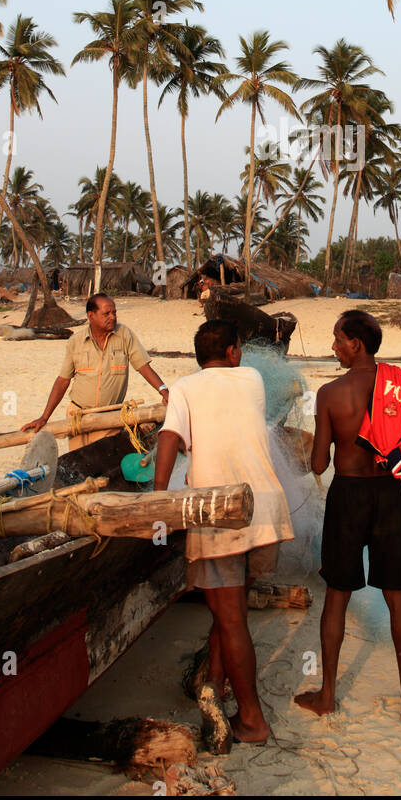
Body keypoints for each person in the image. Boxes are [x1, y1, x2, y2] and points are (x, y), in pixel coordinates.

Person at [154, 318, 294, 744]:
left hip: (221, 515)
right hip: (265, 510)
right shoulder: (252, 379)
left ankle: (252, 720)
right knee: (228, 610)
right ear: (234, 353)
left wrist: (157, 499)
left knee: (230, 618)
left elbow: (169, 439)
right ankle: (214, 677)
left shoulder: (183, 388)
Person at [294, 310, 401, 724]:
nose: (333, 347)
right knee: (397, 595)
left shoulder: (330, 394)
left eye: (337, 339)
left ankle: (327, 697)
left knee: (337, 594)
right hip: (390, 494)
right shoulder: (400, 385)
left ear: (356, 344)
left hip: (348, 496)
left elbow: (320, 464)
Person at [23, 293, 170, 447]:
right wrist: (44, 417)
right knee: (79, 463)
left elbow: (143, 367)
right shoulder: (76, 342)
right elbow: (63, 380)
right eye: (106, 313)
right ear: (91, 316)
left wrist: (164, 392)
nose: (112, 317)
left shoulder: (124, 335)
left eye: (114, 313)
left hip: (111, 418)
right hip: (79, 418)